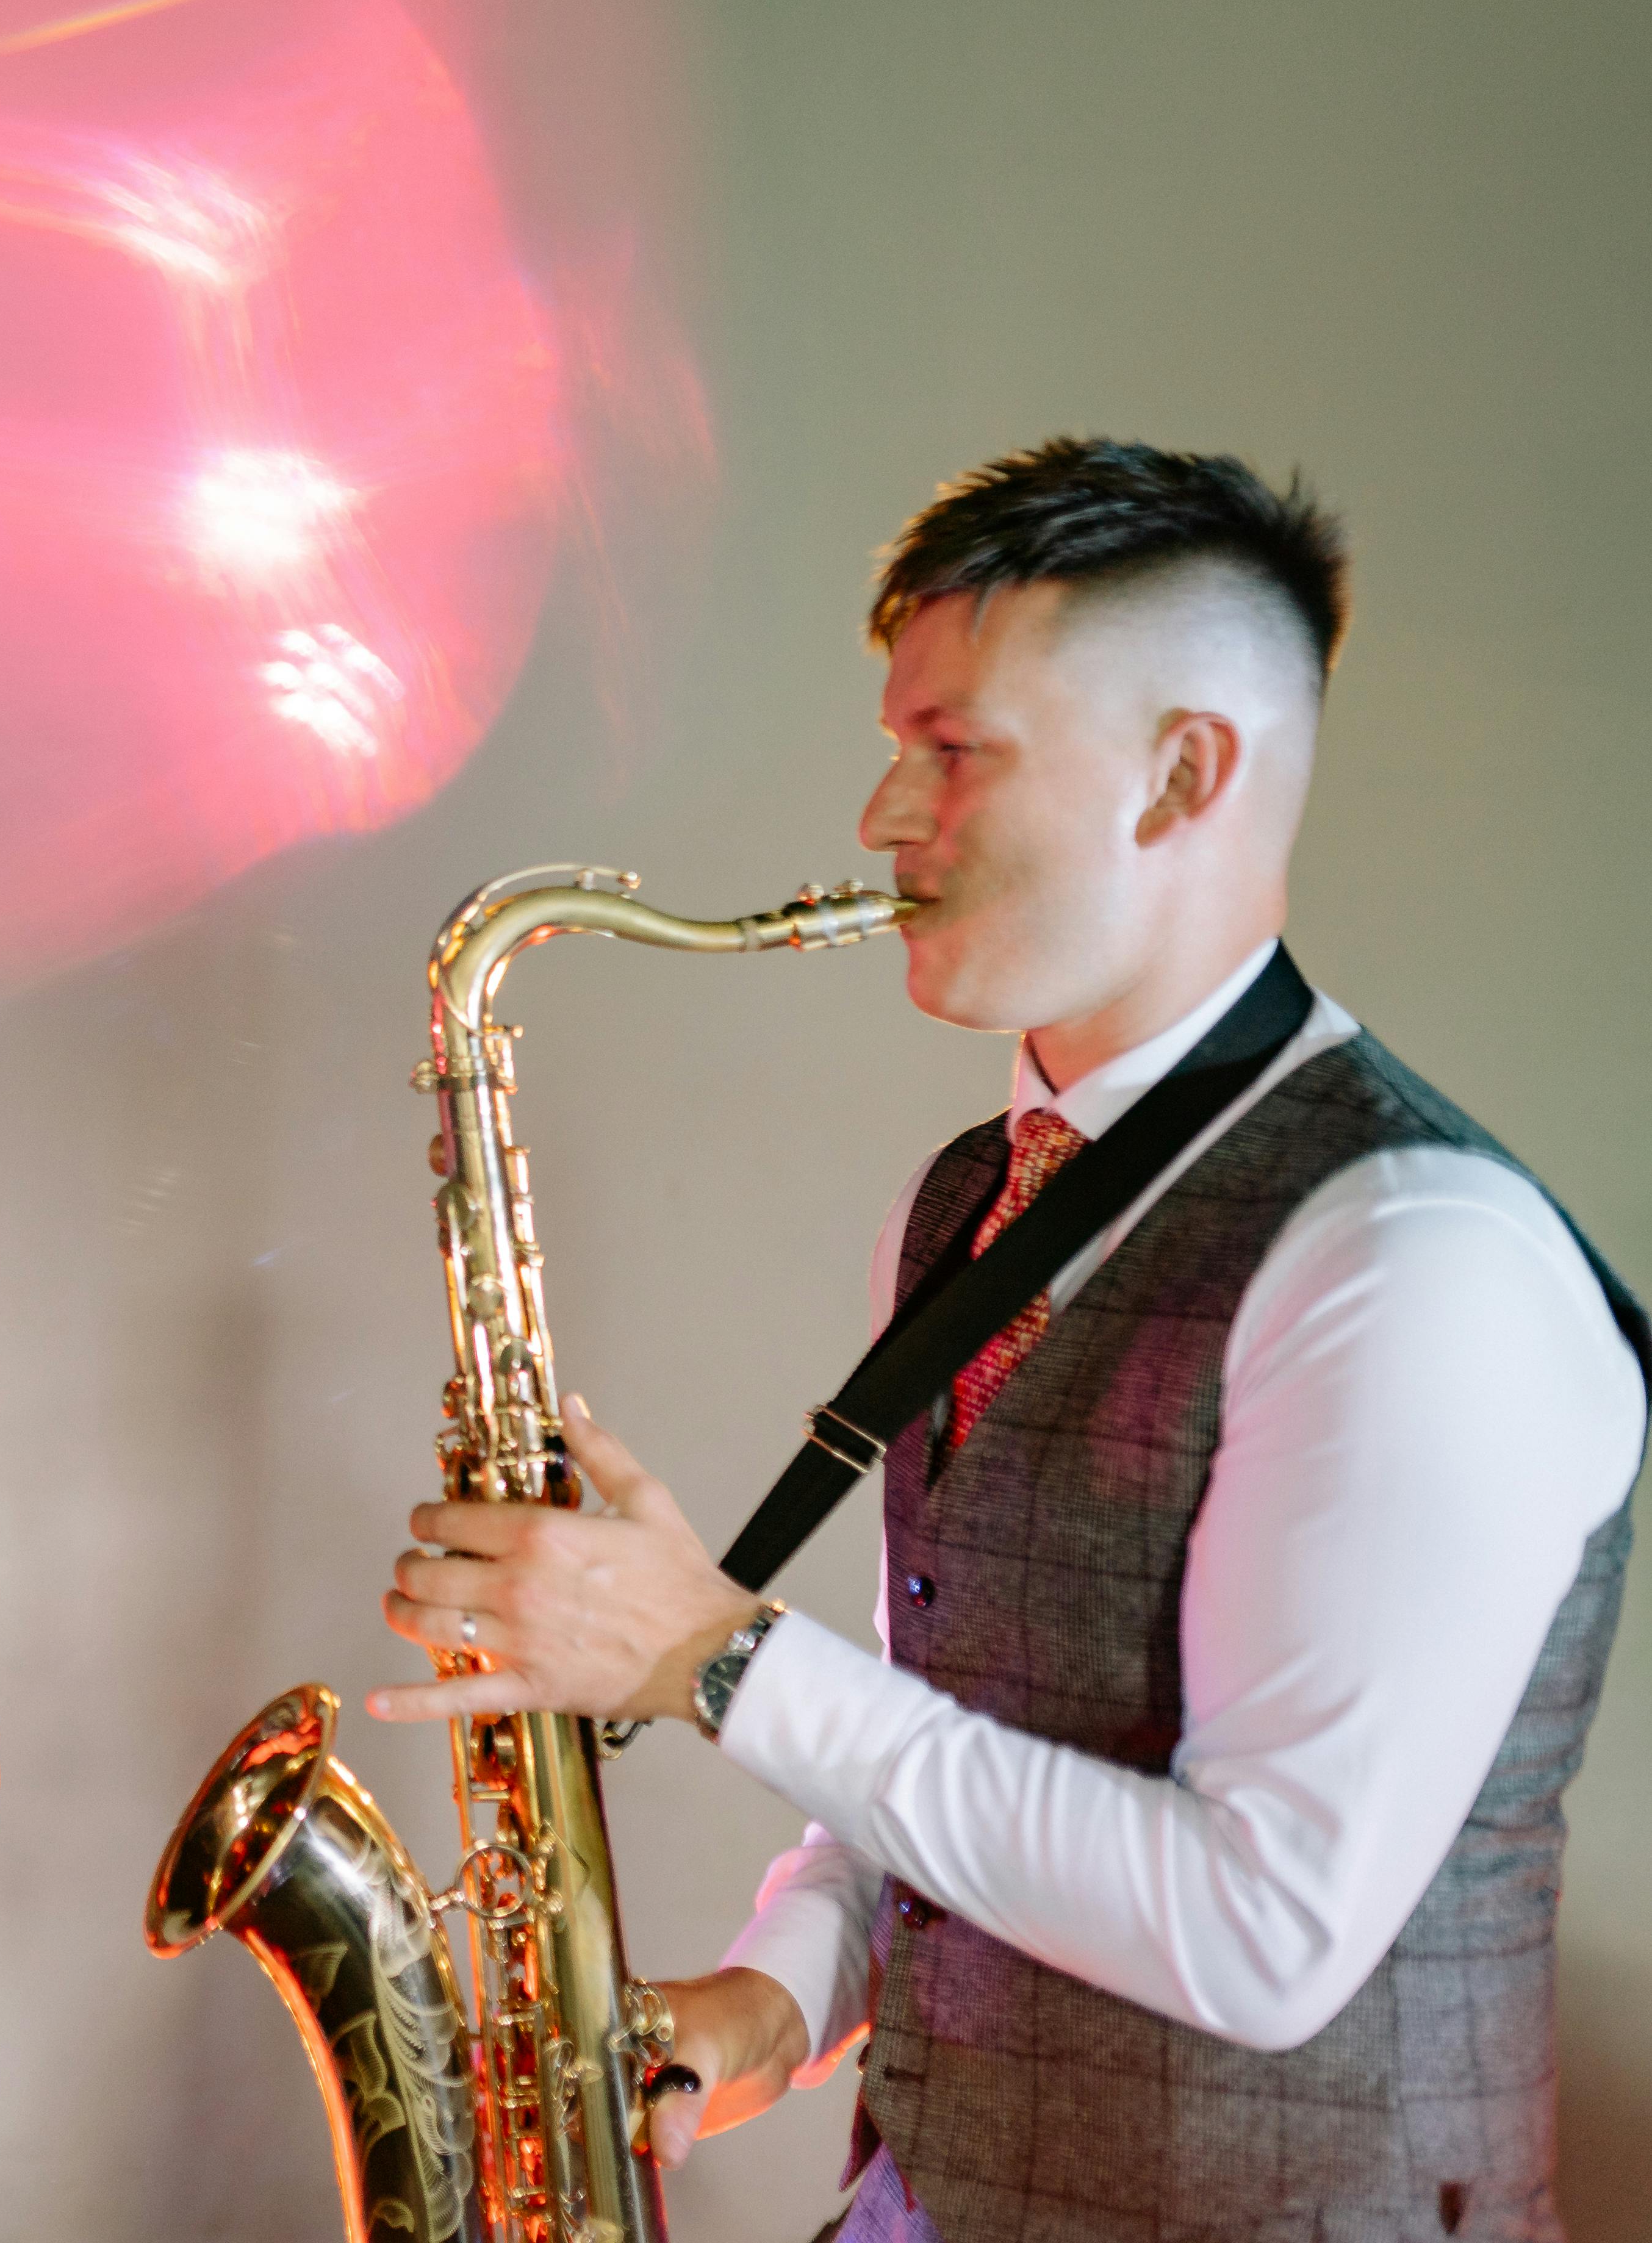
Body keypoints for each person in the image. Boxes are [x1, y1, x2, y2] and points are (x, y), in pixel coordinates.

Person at [370, 440, 1647, 2242]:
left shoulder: (1418, 1259)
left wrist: (714, 1657)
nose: (882, 816)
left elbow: (1262, 1931)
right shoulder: (976, 1193)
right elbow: (964, 1725)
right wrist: (777, 1997)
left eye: (951, 749)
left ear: (1182, 775)